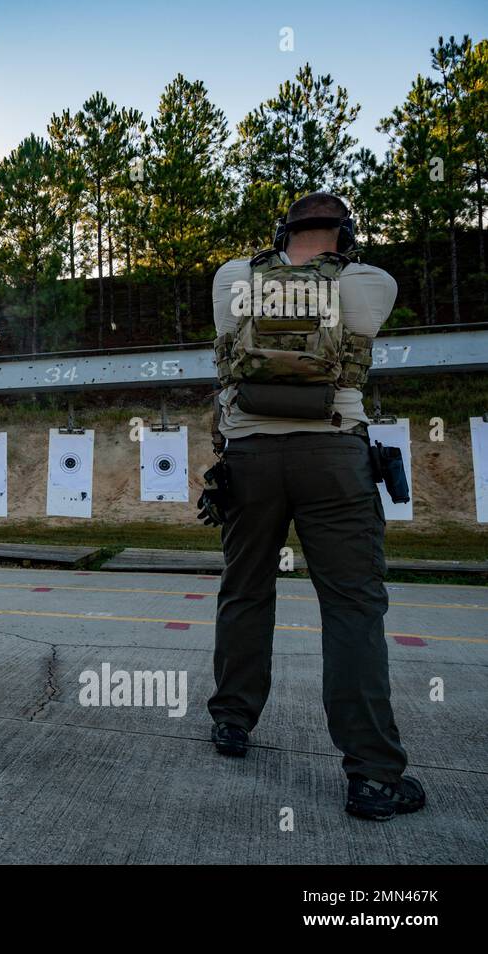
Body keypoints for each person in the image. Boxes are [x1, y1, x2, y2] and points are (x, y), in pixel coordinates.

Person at [206, 192, 425, 821]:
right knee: (352, 607)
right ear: (343, 233)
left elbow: (226, 345)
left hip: (248, 455)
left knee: (245, 590)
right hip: (332, 451)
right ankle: (373, 776)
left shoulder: (232, 277)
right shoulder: (370, 282)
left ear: (283, 231)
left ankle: (232, 722)